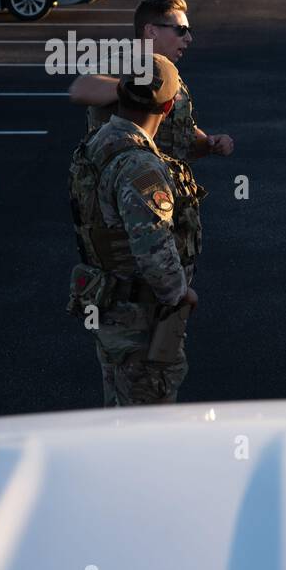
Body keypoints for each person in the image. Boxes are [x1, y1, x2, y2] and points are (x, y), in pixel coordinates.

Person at [67, 56, 204, 407]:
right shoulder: (140, 165)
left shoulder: (98, 141)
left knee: (118, 410)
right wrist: (179, 292)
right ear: (170, 105)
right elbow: (152, 246)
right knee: (147, 424)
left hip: (111, 302)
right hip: (140, 318)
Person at [68, 0, 235, 161]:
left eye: (189, 31)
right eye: (181, 30)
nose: (188, 38)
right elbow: (80, 89)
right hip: (122, 179)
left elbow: (179, 134)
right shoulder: (123, 63)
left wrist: (209, 143)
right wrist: (138, 87)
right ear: (152, 31)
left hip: (160, 179)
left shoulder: (164, 72)